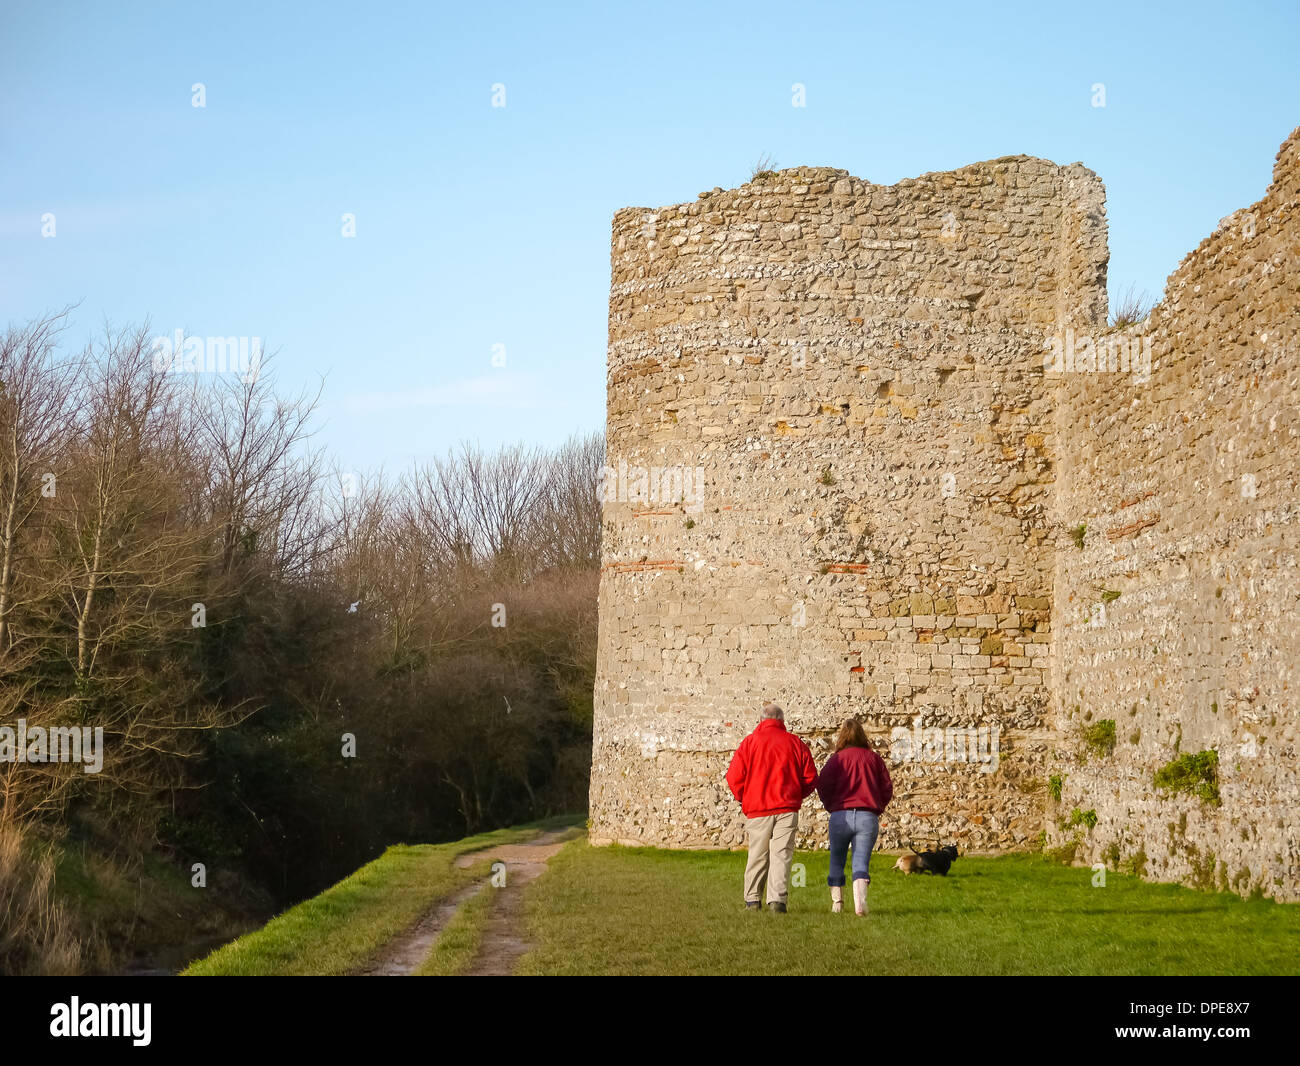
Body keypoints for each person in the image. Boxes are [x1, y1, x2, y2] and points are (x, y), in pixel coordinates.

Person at [725, 703, 818, 913]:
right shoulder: (795, 743)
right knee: (782, 854)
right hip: (786, 808)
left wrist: (745, 797)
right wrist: (795, 795)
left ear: (761, 720)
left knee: (757, 854)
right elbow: (811, 777)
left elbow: (733, 777)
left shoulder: (749, 743)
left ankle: (752, 900)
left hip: (758, 808)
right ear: (782, 721)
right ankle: (777, 901)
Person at [815, 718, 893, 916]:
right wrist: (878, 807)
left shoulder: (837, 759)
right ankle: (860, 905)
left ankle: (837, 904)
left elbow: (822, 785)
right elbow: (886, 787)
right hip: (867, 815)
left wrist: (831, 805)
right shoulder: (873, 759)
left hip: (840, 815)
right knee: (861, 862)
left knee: (836, 860)